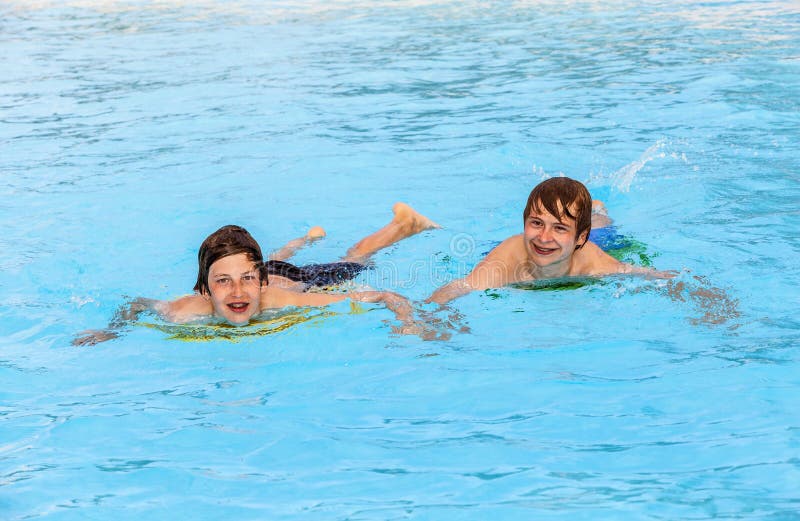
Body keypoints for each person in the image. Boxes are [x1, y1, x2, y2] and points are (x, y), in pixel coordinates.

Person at [74, 203, 441, 345]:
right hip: (268, 268)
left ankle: (401, 224)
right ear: (204, 288)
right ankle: (303, 240)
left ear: (259, 283)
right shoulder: (184, 310)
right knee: (275, 257)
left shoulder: (285, 301)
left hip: (293, 277)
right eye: (222, 282)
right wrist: (109, 331)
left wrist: (408, 320)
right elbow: (136, 304)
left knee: (357, 261)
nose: (237, 292)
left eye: (246, 280)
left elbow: (382, 295)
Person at [427, 177, 674, 305]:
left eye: (559, 228)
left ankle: (597, 212)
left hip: (595, 240)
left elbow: (654, 275)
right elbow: (457, 289)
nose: (544, 238)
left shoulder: (594, 263)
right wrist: (426, 320)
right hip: (522, 254)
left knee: (603, 228)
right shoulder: (506, 261)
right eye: (536, 223)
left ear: (580, 238)